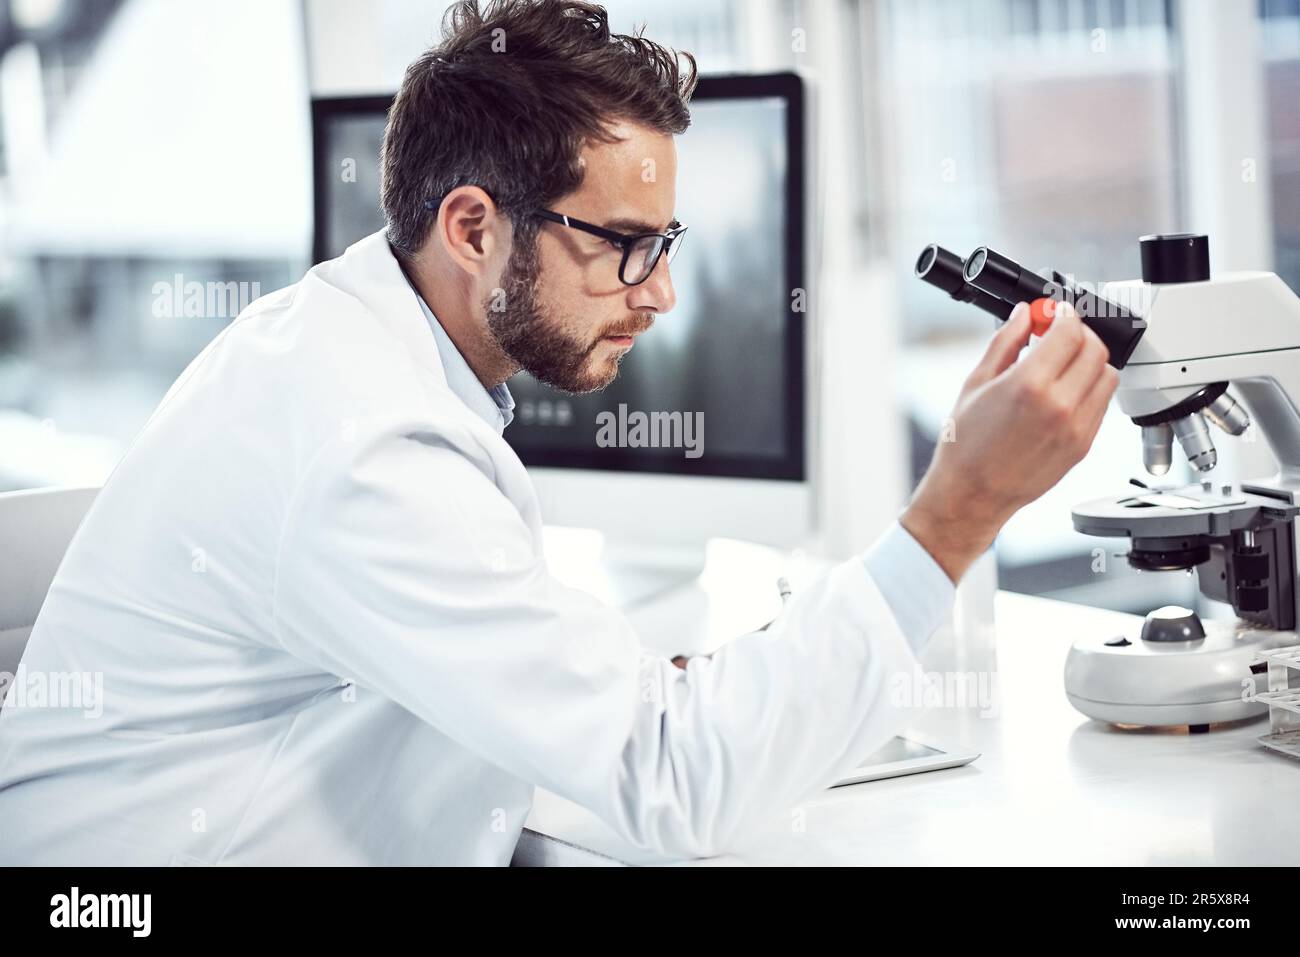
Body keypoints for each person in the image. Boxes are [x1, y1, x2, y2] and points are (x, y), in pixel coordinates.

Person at [0, 0, 1117, 864]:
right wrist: (959, 511)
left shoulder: (349, 348)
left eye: (668, 239)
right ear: (473, 226)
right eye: (625, 243)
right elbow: (678, 782)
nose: (662, 292)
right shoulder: (363, 441)